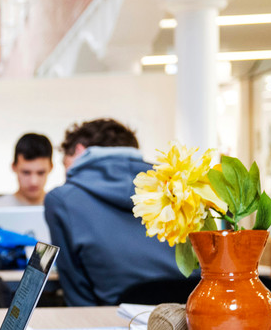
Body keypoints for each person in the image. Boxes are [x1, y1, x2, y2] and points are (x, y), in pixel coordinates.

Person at [43, 118, 181, 306]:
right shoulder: (180, 189)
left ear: (79, 151)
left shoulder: (62, 200)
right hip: (189, 315)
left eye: (66, 166)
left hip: (110, 318)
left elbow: (77, 294)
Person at [0, 133, 53, 215]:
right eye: (26, 172)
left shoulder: (62, 210)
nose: (33, 182)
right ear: (14, 167)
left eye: (41, 173)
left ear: (51, 167)